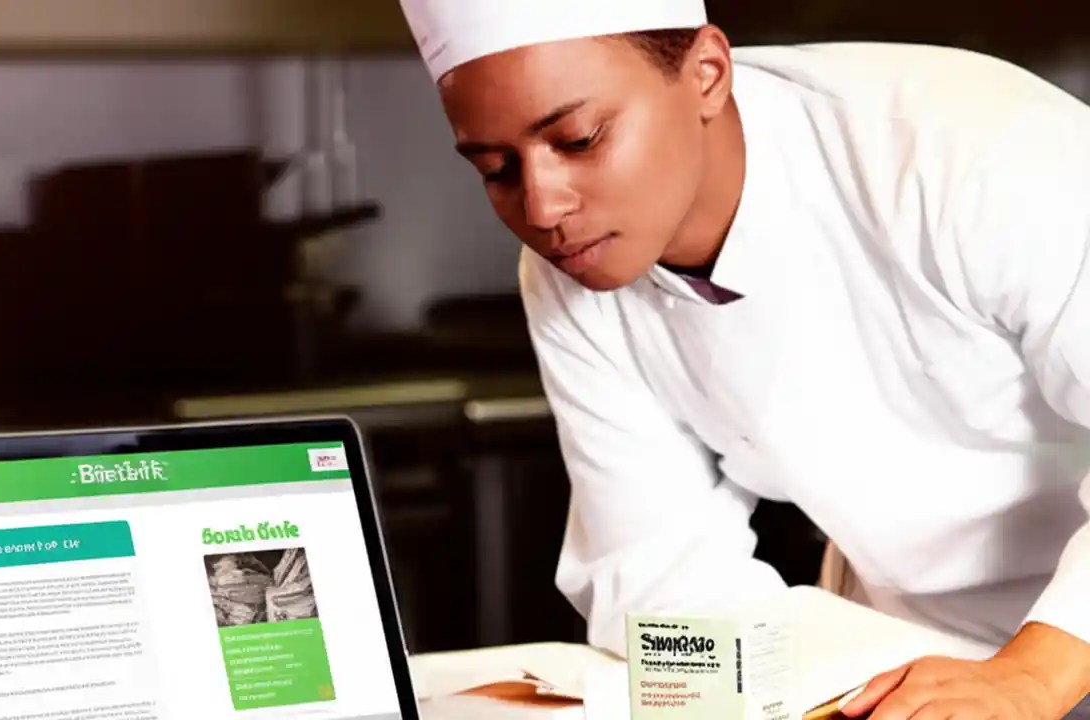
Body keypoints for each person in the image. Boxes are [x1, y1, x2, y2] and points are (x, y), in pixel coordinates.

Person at [395, 0, 1090, 717]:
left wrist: (1033, 677)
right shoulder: (570, 274)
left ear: (706, 72)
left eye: (578, 138)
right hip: (898, 665)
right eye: (495, 169)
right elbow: (659, 569)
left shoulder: (974, 152)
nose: (540, 207)